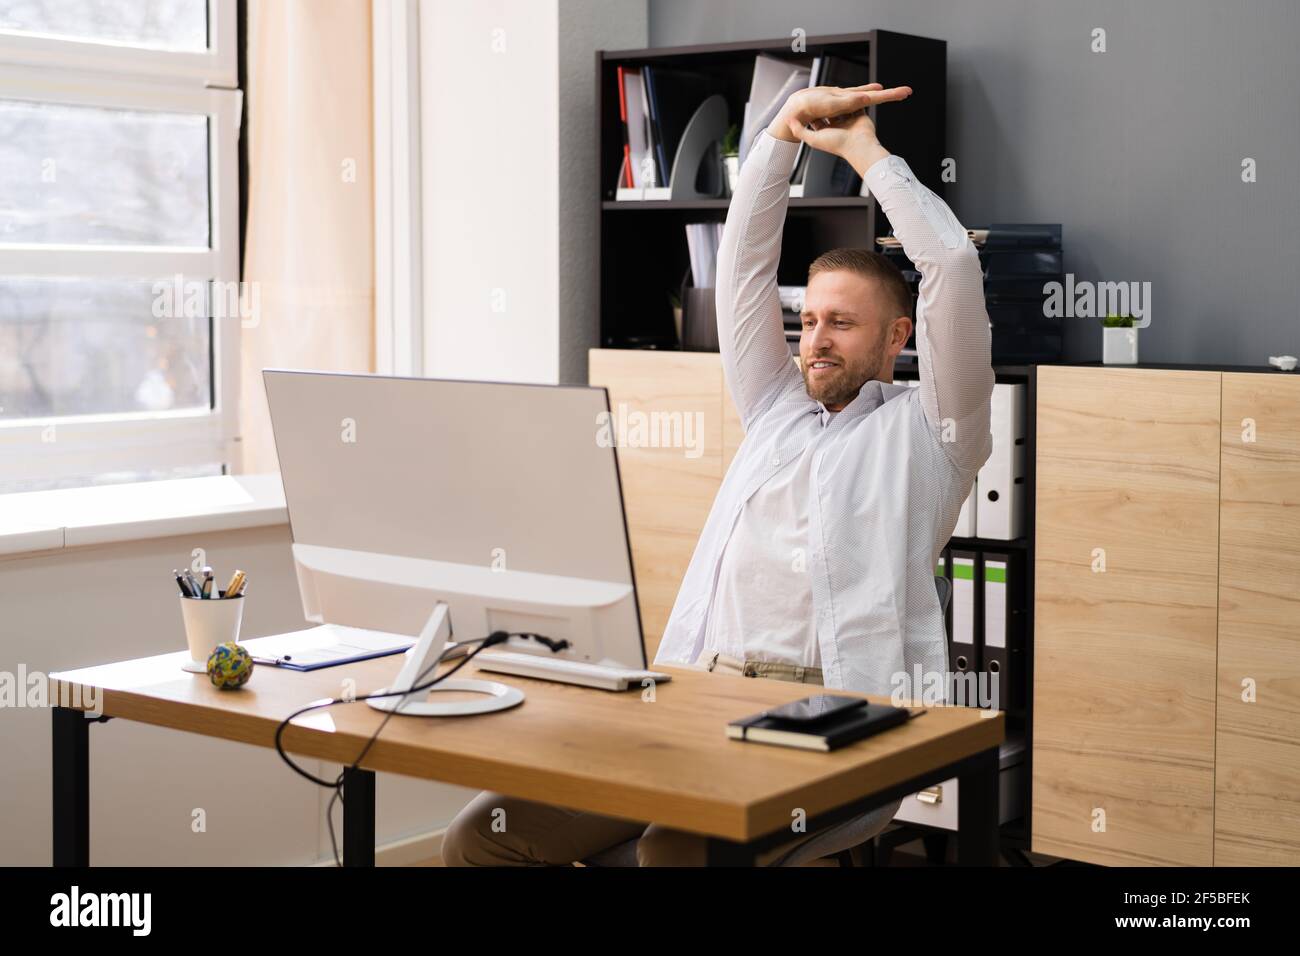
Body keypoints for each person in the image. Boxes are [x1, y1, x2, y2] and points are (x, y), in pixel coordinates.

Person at [442, 82, 993, 866]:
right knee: (482, 836)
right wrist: (779, 138)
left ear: (900, 334)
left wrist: (866, 152)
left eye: (842, 322)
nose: (817, 340)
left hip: (835, 720)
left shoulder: (935, 432)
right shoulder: (774, 411)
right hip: (697, 697)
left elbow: (950, 264)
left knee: (673, 852)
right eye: (809, 321)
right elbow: (742, 270)